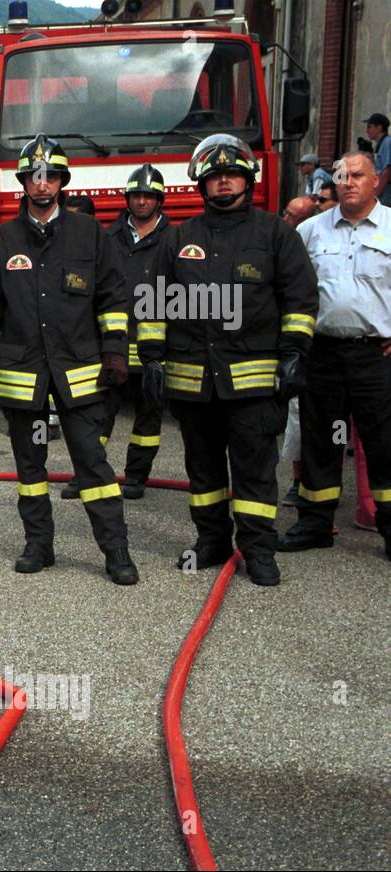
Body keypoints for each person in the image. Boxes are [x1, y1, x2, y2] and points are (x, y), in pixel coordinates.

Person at [141, 135, 319, 586]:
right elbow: (154, 302)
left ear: (247, 180)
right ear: (201, 183)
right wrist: (152, 358)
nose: (223, 181)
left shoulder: (277, 235)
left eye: (232, 174)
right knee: (202, 469)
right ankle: (211, 541)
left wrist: (295, 353)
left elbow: (299, 299)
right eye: (214, 175)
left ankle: (258, 549)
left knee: (255, 470)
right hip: (194, 382)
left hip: (254, 384)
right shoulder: (178, 238)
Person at [0, 134, 139, 585]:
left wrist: (116, 351)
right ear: (23, 183)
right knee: (30, 467)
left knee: (93, 464)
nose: (42, 185)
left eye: (51, 177)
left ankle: (115, 551)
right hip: (24, 374)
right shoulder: (2, 241)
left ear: (62, 181)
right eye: (33, 177)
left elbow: (113, 298)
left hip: (80, 374)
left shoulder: (91, 236)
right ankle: (38, 545)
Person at [278, 150, 391, 561]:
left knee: (384, 442)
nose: (349, 182)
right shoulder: (311, 231)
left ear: (376, 180)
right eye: (342, 176)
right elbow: (289, 283)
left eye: (358, 175)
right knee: (321, 440)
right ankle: (315, 523)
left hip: (376, 356)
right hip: (322, 352)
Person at [69, 163, 173, 501]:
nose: (141, 202)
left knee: (148, 416)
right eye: (136, 196)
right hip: (112, 342)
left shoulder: (176, 239)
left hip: (156, 346)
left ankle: (136, 477)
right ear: (127, 199)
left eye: (148, 196)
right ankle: (88, 474)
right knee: (98, 414)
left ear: (159, 200)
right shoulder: (108, 237)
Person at [278, 194, 320, 506]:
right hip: (297, 345)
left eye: (293, 217)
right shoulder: (282, 242)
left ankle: (321, 487)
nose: (287, 220)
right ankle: (296, 483)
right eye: (286, 214)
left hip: (331, 343)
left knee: (332, 424)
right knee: (296, 418)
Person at [363, 113, 390, 205]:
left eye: (369, 127)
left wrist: (375, 196)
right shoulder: (380, 144)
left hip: (386, 195)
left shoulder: (387, 143)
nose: (366, 130)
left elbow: (387, 172)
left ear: (379, 127)